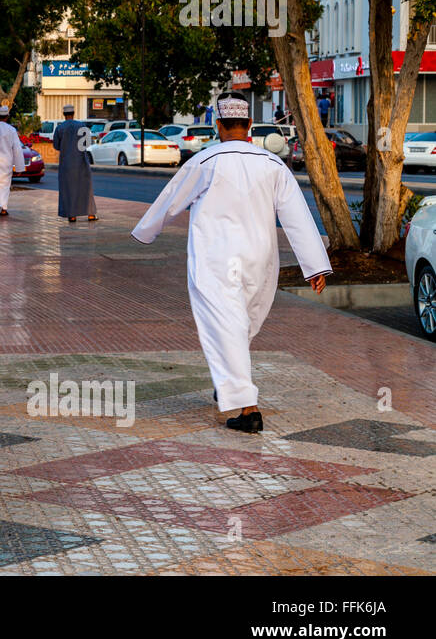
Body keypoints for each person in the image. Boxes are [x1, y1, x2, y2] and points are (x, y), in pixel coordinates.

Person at [130, 93, 331, 433]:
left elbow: (171, 201)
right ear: (250, 126)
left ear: (218, 125)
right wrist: (315, 266)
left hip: (217, 260)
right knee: (240, 324)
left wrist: (146, 232)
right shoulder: (273, 164)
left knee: (227, 324)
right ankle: (228, 379)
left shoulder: (205, 161)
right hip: (259, 260)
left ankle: (249, 410)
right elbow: (296, 215)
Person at [52, 105, 97, 222]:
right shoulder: (82, 125)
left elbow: (56, 145)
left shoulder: (60, 128)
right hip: (82, 162)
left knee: (68, 189)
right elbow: (88, 143)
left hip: (66, 163)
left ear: (64, 115)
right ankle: (91, 214)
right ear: (74, 113)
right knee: (86, 188)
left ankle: (71, 215)